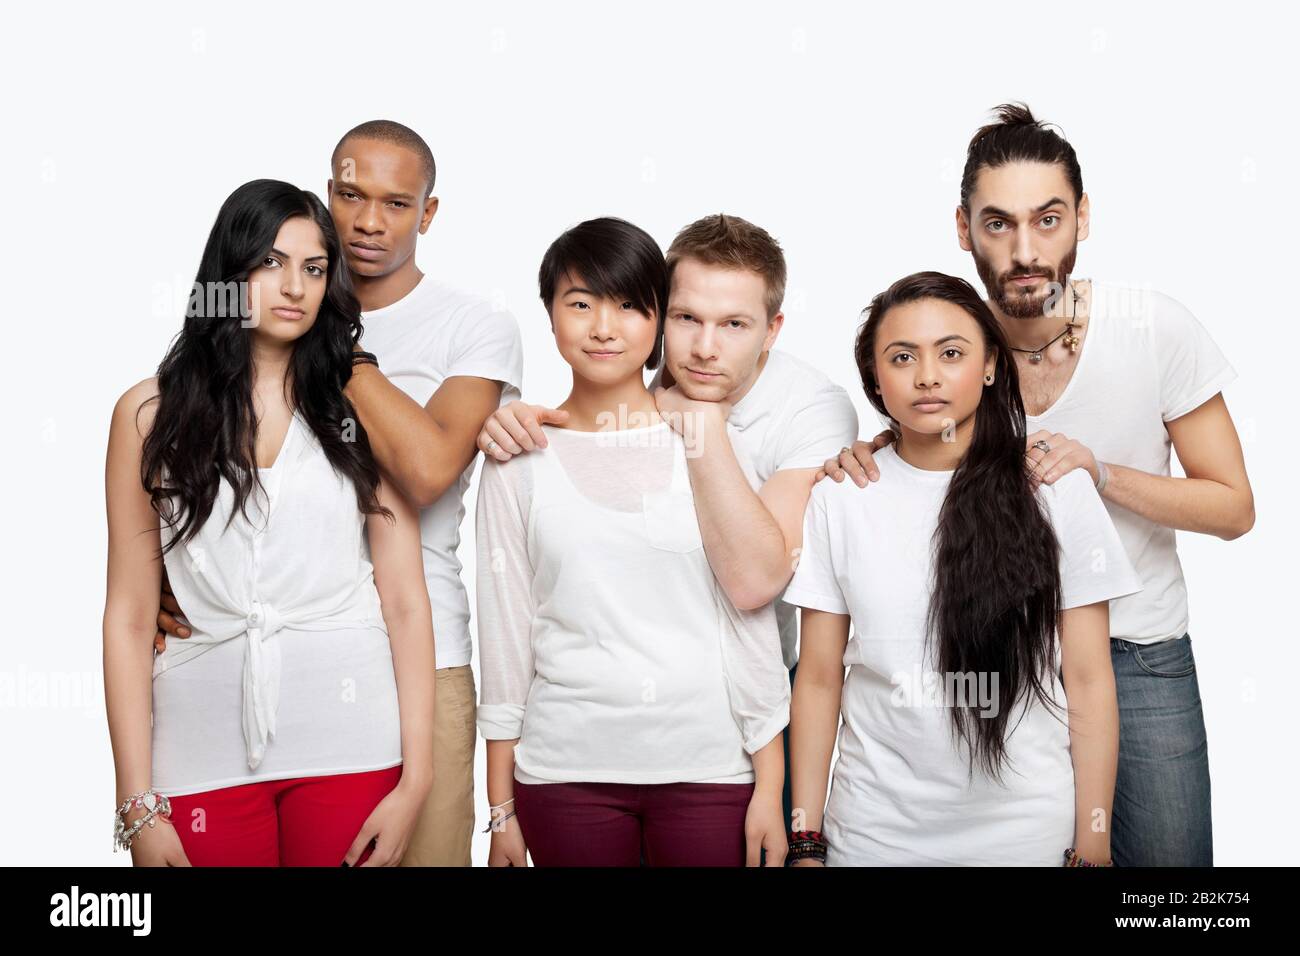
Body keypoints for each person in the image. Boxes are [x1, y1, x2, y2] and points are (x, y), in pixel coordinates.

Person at [822, 104, 1255, 866]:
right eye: (997, 224)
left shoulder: (1153, 328)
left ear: (1082, 217)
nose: (1025, 250)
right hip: (1005, 652)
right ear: (963, 228)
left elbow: (1233, 507)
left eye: (1048, 219)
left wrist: (1101, 473)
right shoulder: (954, 345)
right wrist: (878, 451)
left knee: (1169, 887)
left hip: (1135, 650)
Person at [154, 120, 524, 866]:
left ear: (429, 214)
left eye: (395, 203)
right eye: (351, 195)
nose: (367, 221)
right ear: (328, 193)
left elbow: (424, 471)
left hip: (423, 646)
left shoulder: (474, 325)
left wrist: (333, 341)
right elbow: (195, 452)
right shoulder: (268, 302)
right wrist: (177, 574)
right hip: (258, 660)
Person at [475, 214, 858, 829]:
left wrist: (703, 429)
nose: (704, 348)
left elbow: (755, 587)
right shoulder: (621, 408)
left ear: (771, 330)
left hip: (761, 698)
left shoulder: (809, 409)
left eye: (734, 324)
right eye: (687, 319)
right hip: (580, 751)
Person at [104, 179, 435, 866]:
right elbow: (130, 615)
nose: (295, 287)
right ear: (230, 272)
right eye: (271, 263)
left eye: (315, 269)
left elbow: (404, 601)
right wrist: (136, 803)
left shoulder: (359, 409)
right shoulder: (147, 414)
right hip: (199, 749)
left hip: (352, 741)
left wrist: (417, 777)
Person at [787, 271, 1141, 866]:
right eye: (902, 357)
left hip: (1027, 833)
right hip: (874, 835)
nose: (927, 375)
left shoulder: (1055, 490)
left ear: (991, 365)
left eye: (951, 353)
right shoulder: (841, 497)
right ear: (875, 377)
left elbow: (1087, 678)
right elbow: (820, 679)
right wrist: (806, 838)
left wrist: (1094, 844)